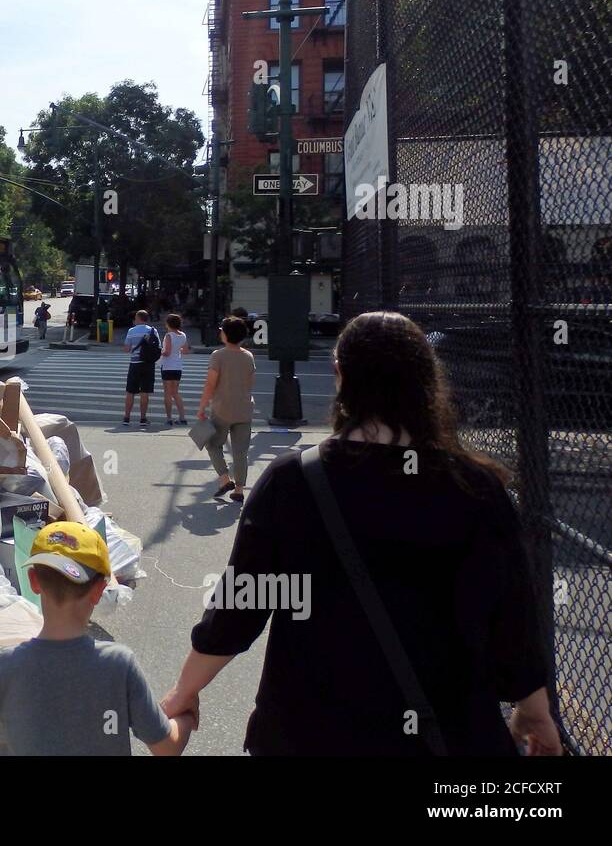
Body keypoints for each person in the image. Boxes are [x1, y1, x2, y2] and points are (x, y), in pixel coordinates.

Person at [160, 311, 562, 756]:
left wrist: (185, 689)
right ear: (428, 382)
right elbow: (512, 613)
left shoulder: (295, 480)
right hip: (448, 729)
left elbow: (242, 606)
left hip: (310, 728)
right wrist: (533, 706)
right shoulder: (474, 487)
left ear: (339, 373)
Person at [0, 521, 194, 756]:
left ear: (33, 581)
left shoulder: (5, 665)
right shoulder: (118, 665)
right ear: (98, 591)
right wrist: (185, 716)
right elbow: (167, 748)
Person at [198, 315, 255, 501]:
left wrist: (202, 407)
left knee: (212, 443)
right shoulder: (248, 356)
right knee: (241, 451)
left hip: (222, 408)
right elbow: (250, 382)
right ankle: (239, 490)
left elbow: (210, 384)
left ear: (225, 334)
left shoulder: (218, 356)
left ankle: (224, 478)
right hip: (244, 409)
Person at [122, 310, 159, 426]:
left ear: (138, 318)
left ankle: (126, 418)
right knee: (145, 392)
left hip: (135, 364)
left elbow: (127, 349)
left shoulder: (131, 331)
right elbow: (158, 347)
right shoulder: (153, 330)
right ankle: (143, 418)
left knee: (130, 391)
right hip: (148, 364)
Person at [160, 313, 191, 425]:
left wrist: (160, 352)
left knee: (167, 393)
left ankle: (169, 418)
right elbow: (186, 350)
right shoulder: (182, 335)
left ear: (168, 324)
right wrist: (177, 350)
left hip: (167, 366)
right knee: (175, 392)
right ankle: (182, 417)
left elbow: (167, 352)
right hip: (178, 366)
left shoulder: (169, 335)